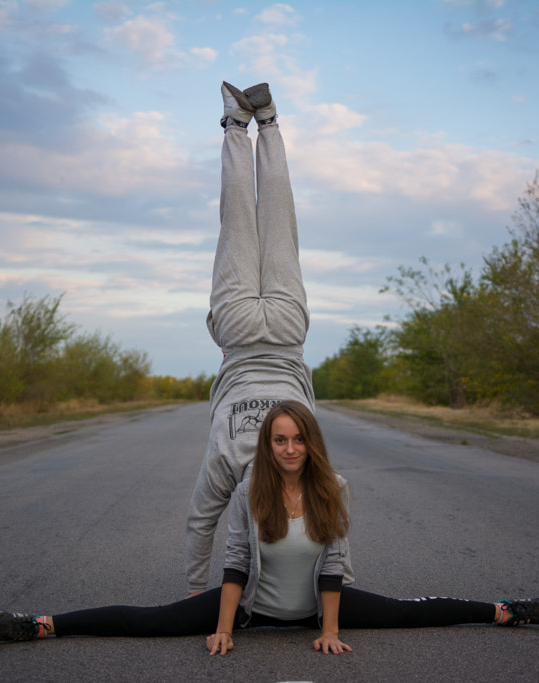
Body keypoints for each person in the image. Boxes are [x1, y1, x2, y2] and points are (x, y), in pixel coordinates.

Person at [0, 401, 539, 653]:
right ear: (269, 444)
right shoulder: (249, 490)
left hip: (316, 606)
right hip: (254, 606)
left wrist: (329, 630)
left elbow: (333, 564)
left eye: (297, 438)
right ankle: (37, 624)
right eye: (279, 439)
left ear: (310, 440)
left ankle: (508, 611)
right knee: (152, 621)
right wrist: (226, 627)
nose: (289, 448)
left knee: (410, 611)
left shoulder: (333, 488)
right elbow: (235, 559)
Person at [184, 81, 316, 595]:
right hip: (239, 332)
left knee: (278, 220)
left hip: (286, 334)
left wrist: (341, 582)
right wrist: (196, 591)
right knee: (237, 222)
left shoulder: (310, 471)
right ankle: (238, 122)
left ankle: (269, 121)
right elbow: (200, 525)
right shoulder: (225, 465)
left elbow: (339, 536)